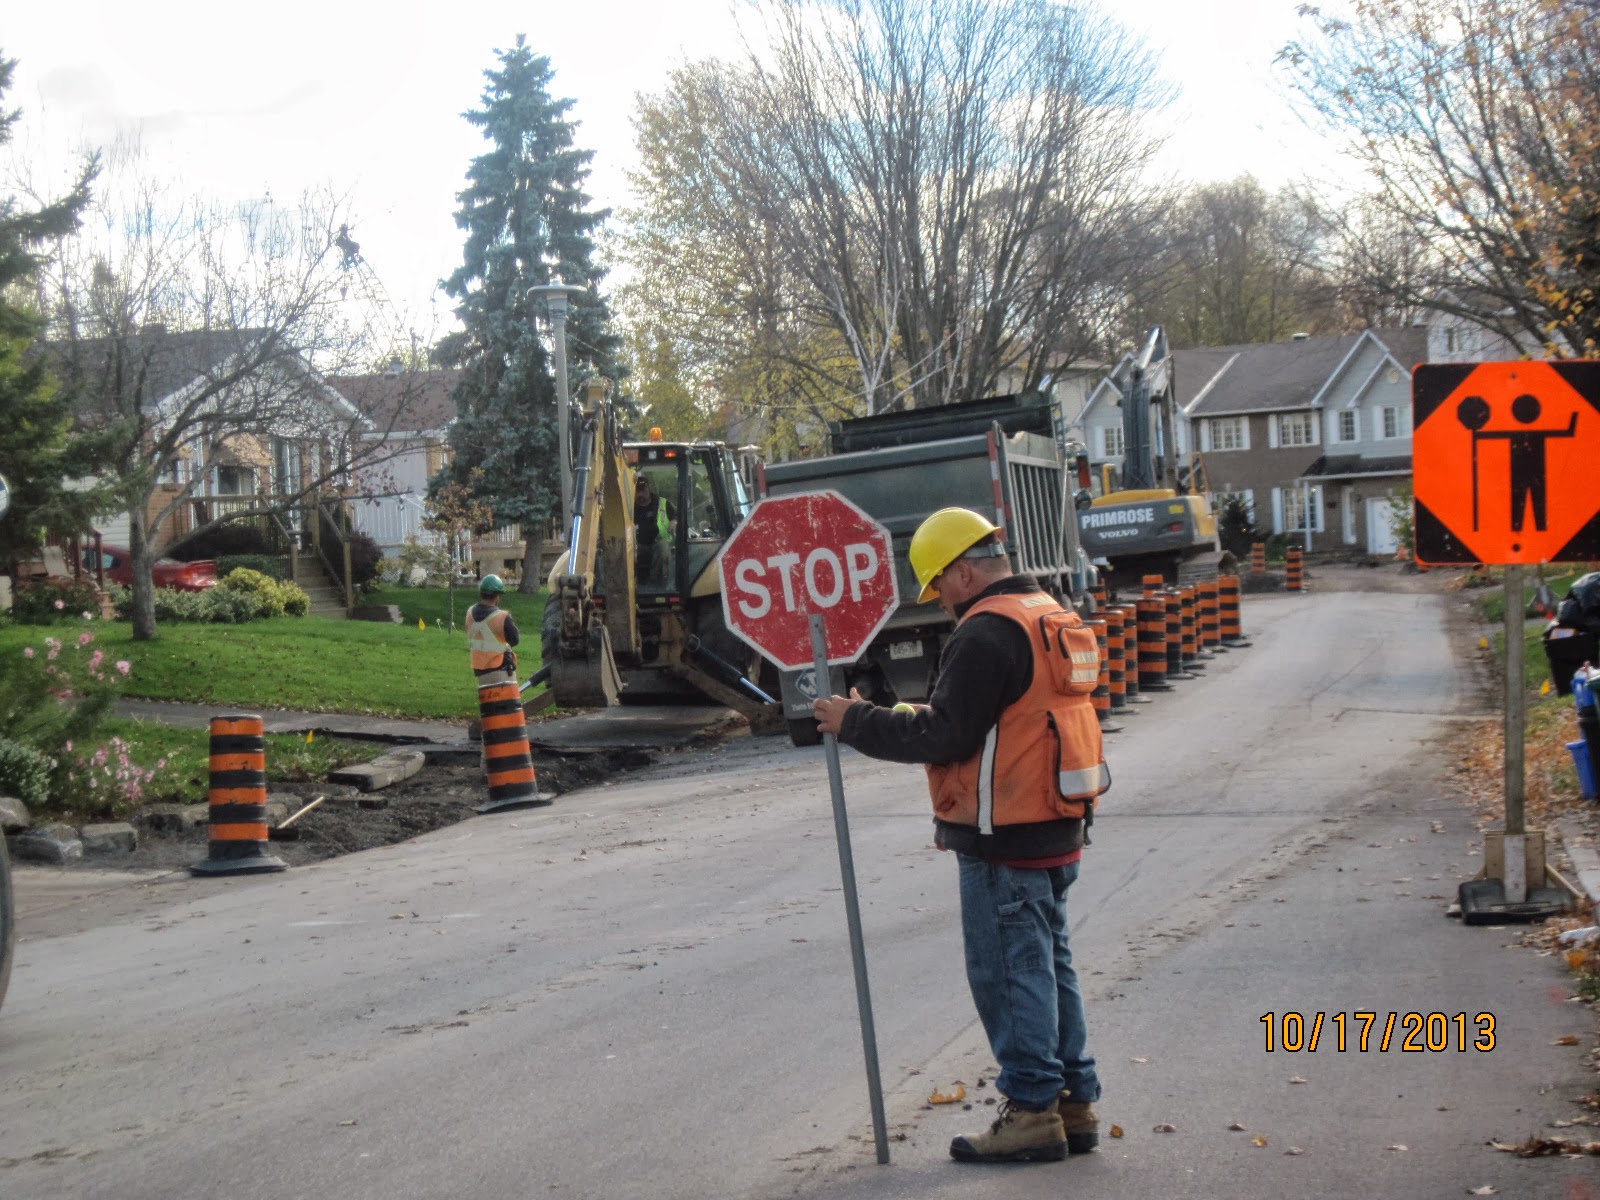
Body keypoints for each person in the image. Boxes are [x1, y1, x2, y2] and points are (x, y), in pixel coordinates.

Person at [813, 507, 1108, 1165]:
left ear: (964, 571)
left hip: (1005, 835)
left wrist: (854, 720)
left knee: (1010, 972)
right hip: (1055, 822)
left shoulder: (984, 634)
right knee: (1050, 968)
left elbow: (946, 736)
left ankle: (1032, 1108)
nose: (941, 602)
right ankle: (1072, 1102)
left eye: (939, 586)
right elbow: (998, 721)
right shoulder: (1045, 613)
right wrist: (901, 713)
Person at [466, 574, 519, 685]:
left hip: (478, 668)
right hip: (499, 668)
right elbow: (515, 640)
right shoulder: (503, 617)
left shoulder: (469, 613)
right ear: (497, 596)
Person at [633, 471, 675, 585]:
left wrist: (674, 522)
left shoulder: (663, 503)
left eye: (643, 490)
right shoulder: (629, 506)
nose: (640, 494)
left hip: (657, 543)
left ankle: (657, 584)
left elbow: (676, 518)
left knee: (663, 548)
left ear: (649, 489)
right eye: (637, 491)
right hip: (636, 545)